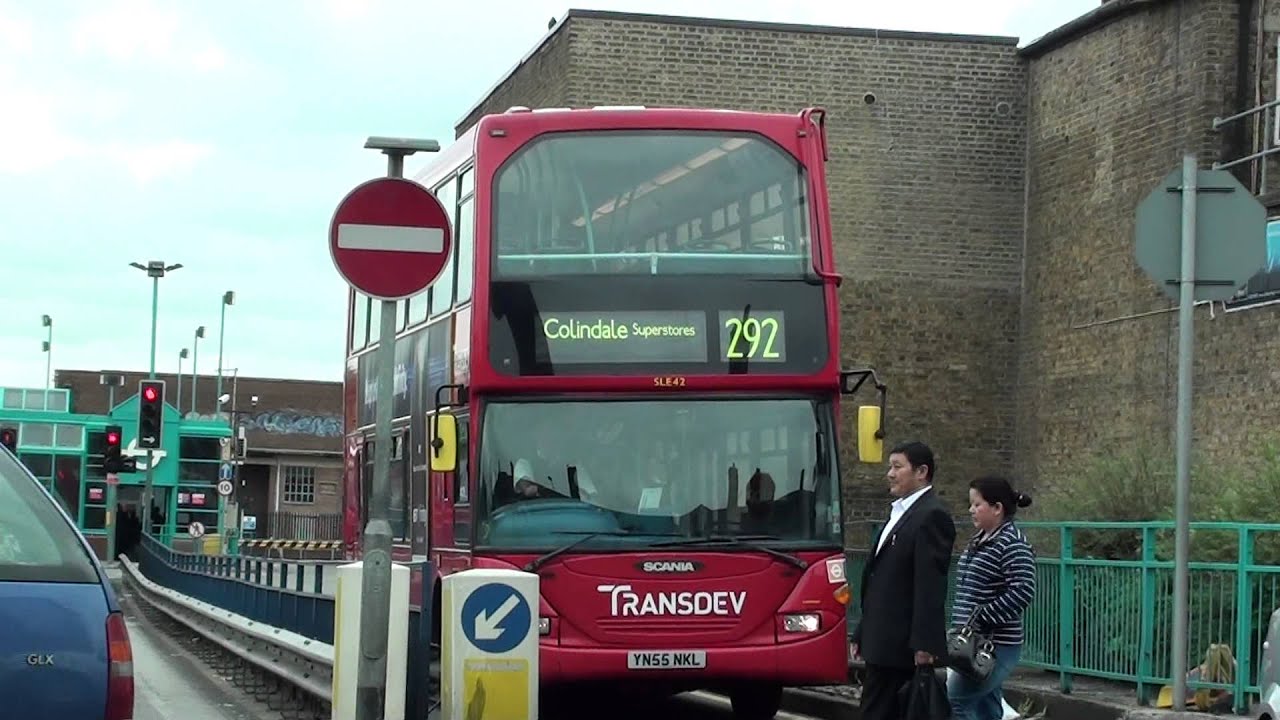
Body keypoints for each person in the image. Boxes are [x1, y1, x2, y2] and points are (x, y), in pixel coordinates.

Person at [851, 441, 956, 720]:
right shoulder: (899, 513)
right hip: (882, 640)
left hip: (902, 646)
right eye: (890, 466)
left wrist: (925, 644)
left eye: (898, 467)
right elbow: (881, 580)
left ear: (921, 472)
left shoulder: (931, 516)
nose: (890, 473)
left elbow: (929, 585)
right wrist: (863, 630)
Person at [947, 476, 1036, 720]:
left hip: (995, 645)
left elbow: (1023, 590)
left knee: (957, 700)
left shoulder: (1012, 543)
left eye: (977, 505)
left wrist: (982, 616)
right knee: (987, 708)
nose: (971, 510)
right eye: (971, 504)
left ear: (997, 508)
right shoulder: (981, 540)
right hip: (973, 644)